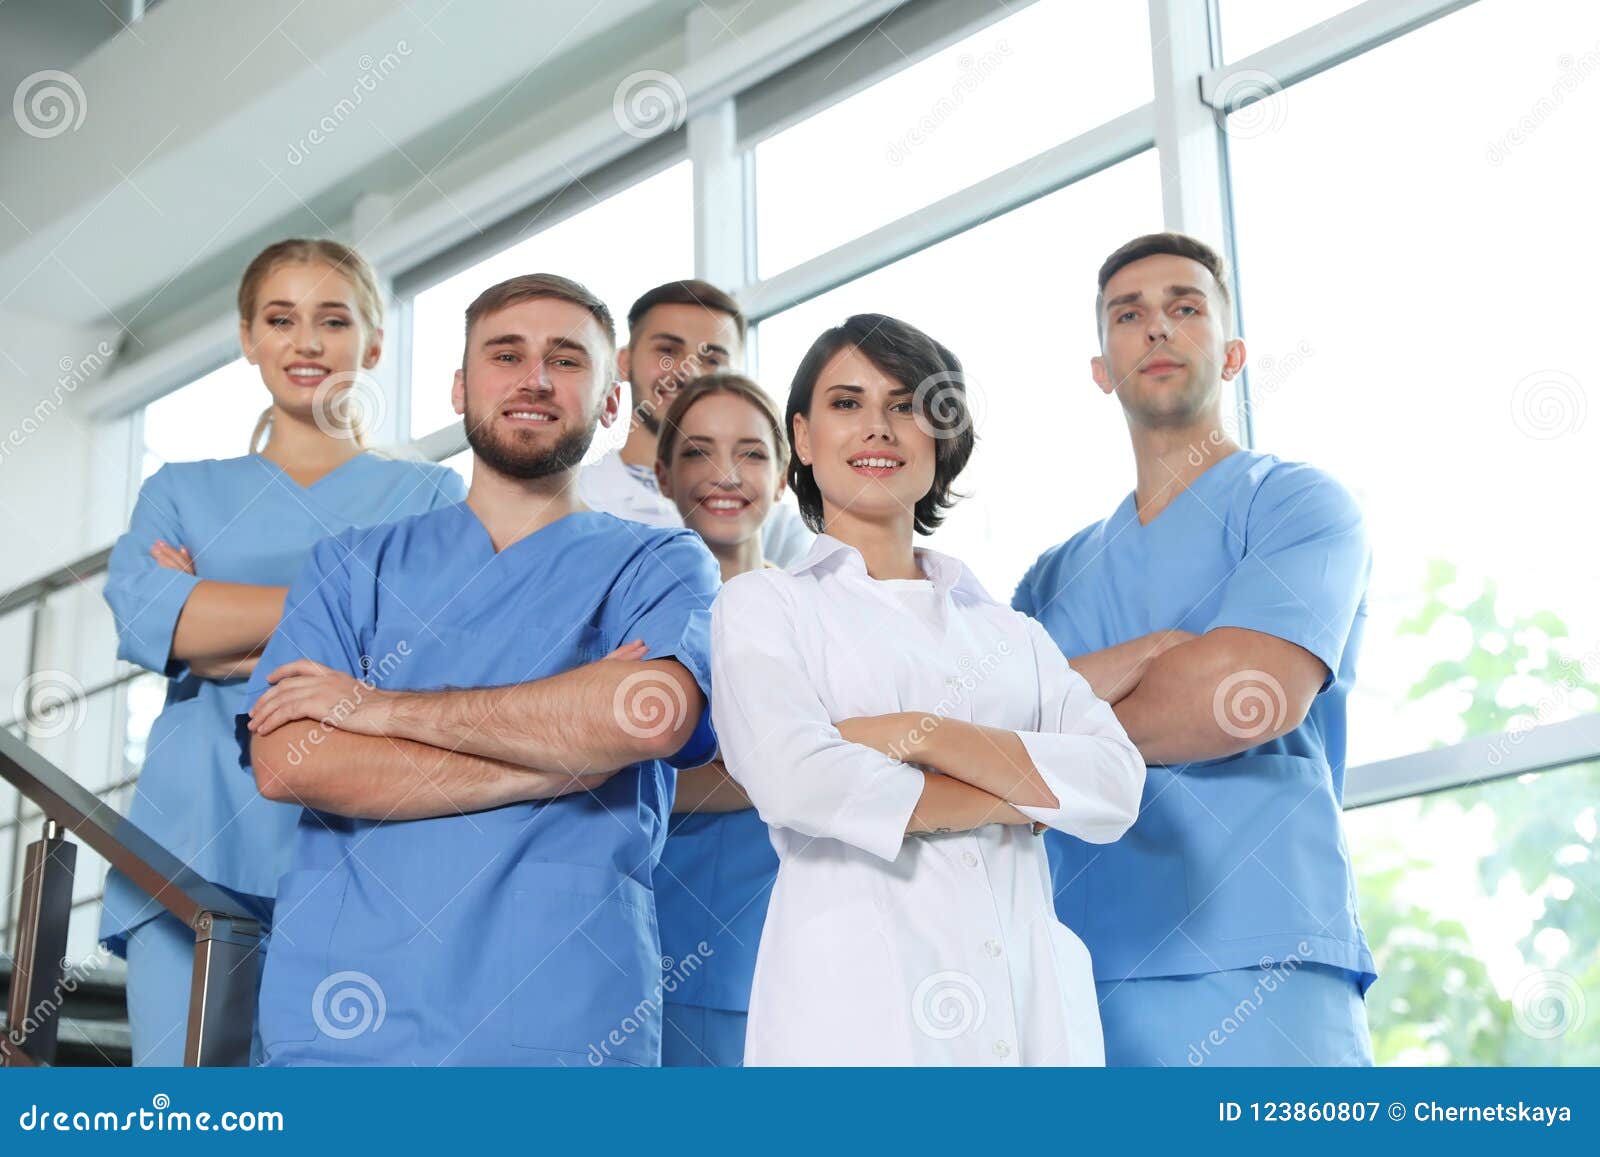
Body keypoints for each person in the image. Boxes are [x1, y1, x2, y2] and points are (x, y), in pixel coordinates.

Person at [238, 273, 720, 1066]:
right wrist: (565, 756)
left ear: (609, 401)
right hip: (347, 1020)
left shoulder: (661, 562)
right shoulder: (353, 564)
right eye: (506, 355)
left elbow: (646, 717)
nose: (534, 379)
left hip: (562, 1014)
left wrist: (380, 708)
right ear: (461, 387)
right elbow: (289, 759)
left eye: (566, 360)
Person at [709, 314, 1145, 1065]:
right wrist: (1024, 795)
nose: (879, 427)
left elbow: (1115, 782)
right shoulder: (764, 607)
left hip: (1029, 1008)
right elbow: (797, 779)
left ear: (941, 439)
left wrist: (923, 732)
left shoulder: (1011, 634)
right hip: (859, 1021)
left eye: (906, 405)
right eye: (847, 403)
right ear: (803, 441)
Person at [1012, 232, 1376, 1066]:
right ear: (1102, 367)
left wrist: (1059, 716)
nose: (1157, 330)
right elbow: (979, 727)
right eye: (1128, 315)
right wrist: (1159, 657)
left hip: (1265, 949)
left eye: (1185, 308)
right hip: (1079, 962)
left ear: (1234, 352)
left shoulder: (1296, 505)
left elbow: (1240, 695)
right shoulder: (1049, 578)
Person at [100, 238, 466, 1066]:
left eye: (332, 320)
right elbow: (158, 621)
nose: (306, 343)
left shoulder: (427, 496)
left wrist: (231, 637)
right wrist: (343, 617)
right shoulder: (180, 490)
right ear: (248, 339)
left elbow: (434, 639)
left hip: (357, 842)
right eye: (281, 319)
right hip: (189, 841)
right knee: (182, 1117)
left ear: (372, 345)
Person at [649, 373, 786, 1066]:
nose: (726, 474)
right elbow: (623, 775)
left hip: (817, 944)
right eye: (698, 452)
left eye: (754, 454)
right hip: (680, 954)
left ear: (787, 476)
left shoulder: (829, 610)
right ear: (662, 474)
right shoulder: (633, 614)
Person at [575, 279, 812, 564]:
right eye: (667, 351)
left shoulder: (781, 527)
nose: (688, 373)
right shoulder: (579, 497)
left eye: (712, 359)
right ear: (624, 363)